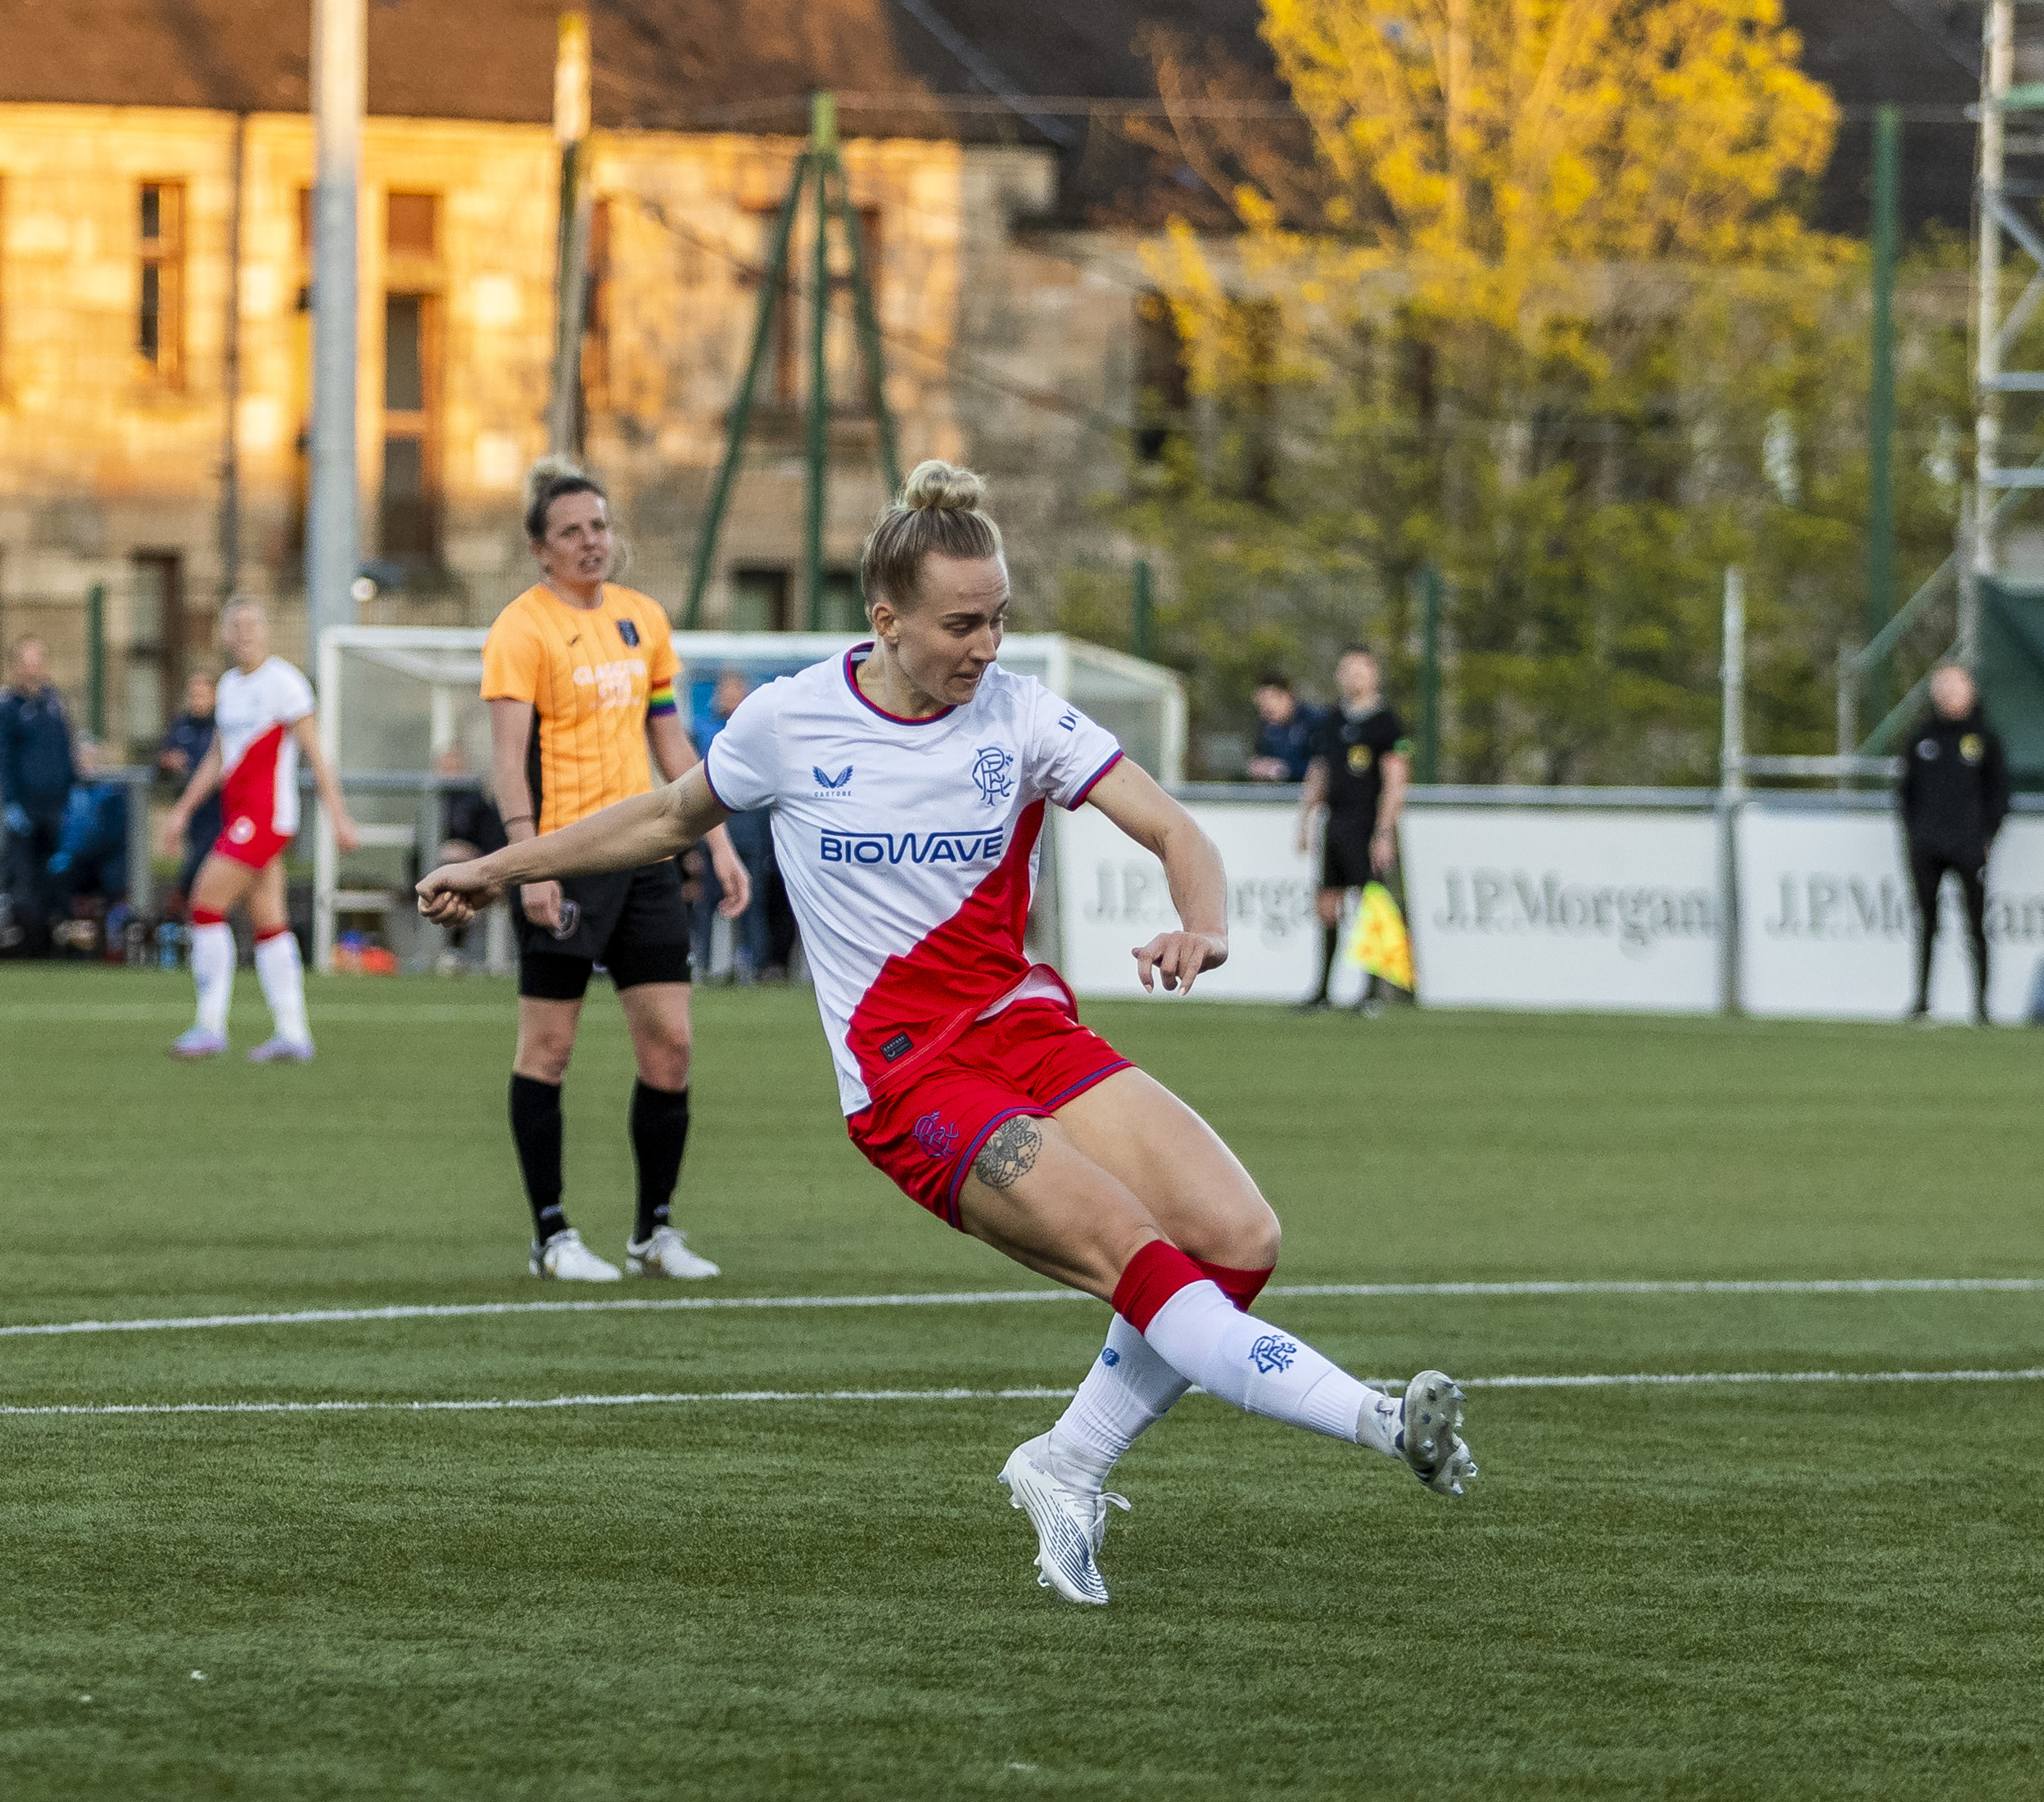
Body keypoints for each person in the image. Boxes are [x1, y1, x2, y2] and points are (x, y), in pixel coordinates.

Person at [415, 461, 1476, 1608]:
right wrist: (499, 865)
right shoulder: (791, 719)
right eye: (961, 625)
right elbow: (667, 814)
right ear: (887, 619)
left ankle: (1068, 1463)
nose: (986, 646)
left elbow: (1176, 830)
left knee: (1237, 1237)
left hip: (1024, 1029)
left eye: (999, 619)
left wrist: (1202, 924)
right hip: (909, 1079)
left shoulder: (1021, 715)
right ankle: (1379, 1420)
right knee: (1141, 1257)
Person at [479, 461, 749, 1284]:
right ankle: (551, 1235)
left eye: (598, 525)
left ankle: (653, 1233)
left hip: (647, 860)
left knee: (671, 1046)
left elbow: (669, 739)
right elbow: (506, 760)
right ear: (540, 549)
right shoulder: (521, 630)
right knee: (549, 1048)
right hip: (563, 861)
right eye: (571, 532)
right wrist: (528, 862)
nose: (590, 542)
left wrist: (719, 843)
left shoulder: (643, 619)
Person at [158, 598, 363, 1060]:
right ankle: (293, 1035)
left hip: (265, 817)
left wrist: (338, 816)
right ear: (225, 634)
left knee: (205, 903)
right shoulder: (229, 686)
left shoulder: (284, 683)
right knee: (269, 922)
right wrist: (183, 810)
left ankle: (210, 1027)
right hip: (239, 816)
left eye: (253, 624)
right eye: (237, 625)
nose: (245, 633)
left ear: (266, 631)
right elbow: (218, 756)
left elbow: (316, 754)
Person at [1294, 647, 1410, 1015]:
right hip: (1336, 821)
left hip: (1367, 823)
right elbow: (1320, 771)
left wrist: (1384, 832)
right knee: (1327, 904)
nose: (1354, 677)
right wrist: (1306, 818)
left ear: (1374, 675)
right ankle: (1323, 991)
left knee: (1369, 905)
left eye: (1361, 670)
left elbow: (1395, 781)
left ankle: (1371, 993)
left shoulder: (1386, 723)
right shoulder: (1331, 720)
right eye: (1348, 670)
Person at [1896, 663, 2010, 1022]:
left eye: (1955, 688)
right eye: (1942, 689)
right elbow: (1906, 793)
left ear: (1969, 692)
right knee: (1926, 922)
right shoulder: (1921, 738)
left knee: (1976, 924)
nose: (1948, 696)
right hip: (1927, 845)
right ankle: (1922, 1001)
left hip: (1969, 846)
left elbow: (1999, 794)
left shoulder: (1984, 739)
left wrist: (1987, 836)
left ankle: (1982, 1006)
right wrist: (1915, 835)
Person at [689, 670, 775, 982]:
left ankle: (753, 964)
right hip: (713, 829)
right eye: (725, 691)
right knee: (708, 900)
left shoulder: (759, 732)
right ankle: (704, 964)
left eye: (735, 691)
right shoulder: (702, 731)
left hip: (750, 830)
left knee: (753, 900)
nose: (729, 697)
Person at [2, 636, 78, 958]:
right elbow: (4, 758)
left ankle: (53, 946)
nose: (34, 669)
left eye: (38, 661)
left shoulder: (54, 704)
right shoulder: (9, 708)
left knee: (55, 877)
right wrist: (10, 802)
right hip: (26, 806)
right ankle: (27, 945)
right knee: (24, 878)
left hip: (56, 806)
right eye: (27, 662)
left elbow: (65, 749)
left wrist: (72, 789)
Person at [427, 745, 508, 971]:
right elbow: (420, 847)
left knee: (460, 885)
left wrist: (473, 858)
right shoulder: (431, 800)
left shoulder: (476, 801)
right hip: (438, 871)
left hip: (475, 869)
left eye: (454, 765)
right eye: (444, 765)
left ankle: (457, 951)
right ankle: (449, 951)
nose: (449, 771)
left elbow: (493, 841)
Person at [48, 734, 133, 947]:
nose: (84, 764)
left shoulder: (111, 794)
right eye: (80, 759)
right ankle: (64, 940)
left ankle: (113, 942)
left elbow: (114, 836)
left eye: (89, 759)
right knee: (54, 879)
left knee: (115, 878)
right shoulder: (62, 791)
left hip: (102, 861)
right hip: (72, 862)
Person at [157, 671, 223, 912]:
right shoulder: (182, 724)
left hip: (220, 809)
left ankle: (183, 904)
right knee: (198, 864)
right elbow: (163, 757)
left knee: (206, 866)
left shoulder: (222, 724)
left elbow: (215, 766)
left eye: (202, 695)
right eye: (193, 695)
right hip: (194, 810)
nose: (196, 701)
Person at [1247, 672, 1318, 783]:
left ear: (1286, 696)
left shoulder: (1315, 722)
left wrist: (1284, 770)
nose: (1265, 715)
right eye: (1261, 710)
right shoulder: (1269, 728)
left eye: (1269, 710)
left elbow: (1322, 766)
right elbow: (1264, 757)